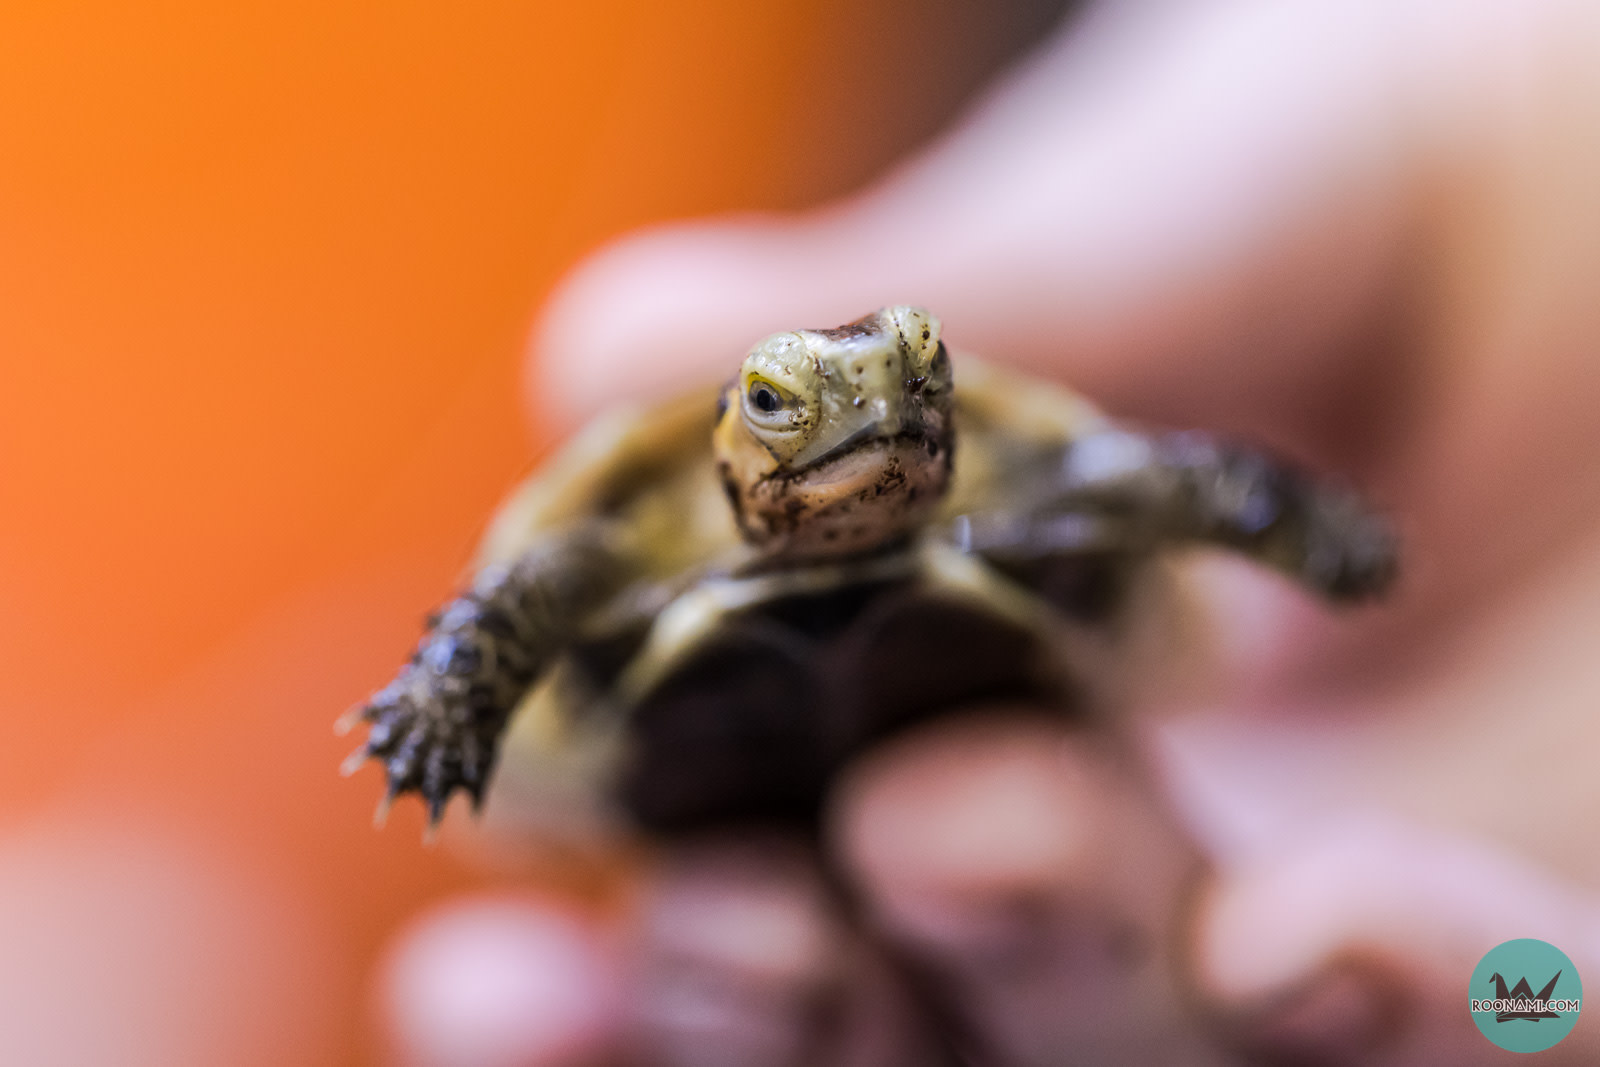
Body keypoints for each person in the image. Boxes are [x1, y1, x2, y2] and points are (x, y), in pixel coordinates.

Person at [380, 0, 1600, 1062]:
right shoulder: (635, 534)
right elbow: (544, 580)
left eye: (903, 383)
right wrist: (450, 699)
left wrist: (1300, 529)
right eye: (785, 408)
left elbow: (1135, 483)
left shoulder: (1024, 493)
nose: (858, 418)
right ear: (737, 444)